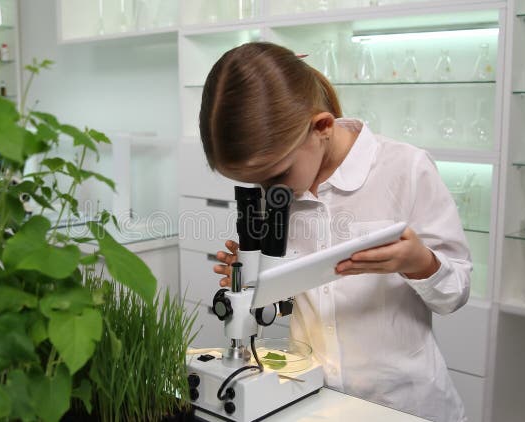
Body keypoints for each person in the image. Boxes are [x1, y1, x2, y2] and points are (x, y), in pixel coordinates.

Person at [199, 42, 472, 422]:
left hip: (404, 404)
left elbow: (454, 294)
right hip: (314, 400)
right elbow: (285, 296)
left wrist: (419, 262)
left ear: (322, 127)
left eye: (275, 177)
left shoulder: (406, 169)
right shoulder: (280, 188)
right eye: (256, 184)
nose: (268, 192)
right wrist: (254, 281)